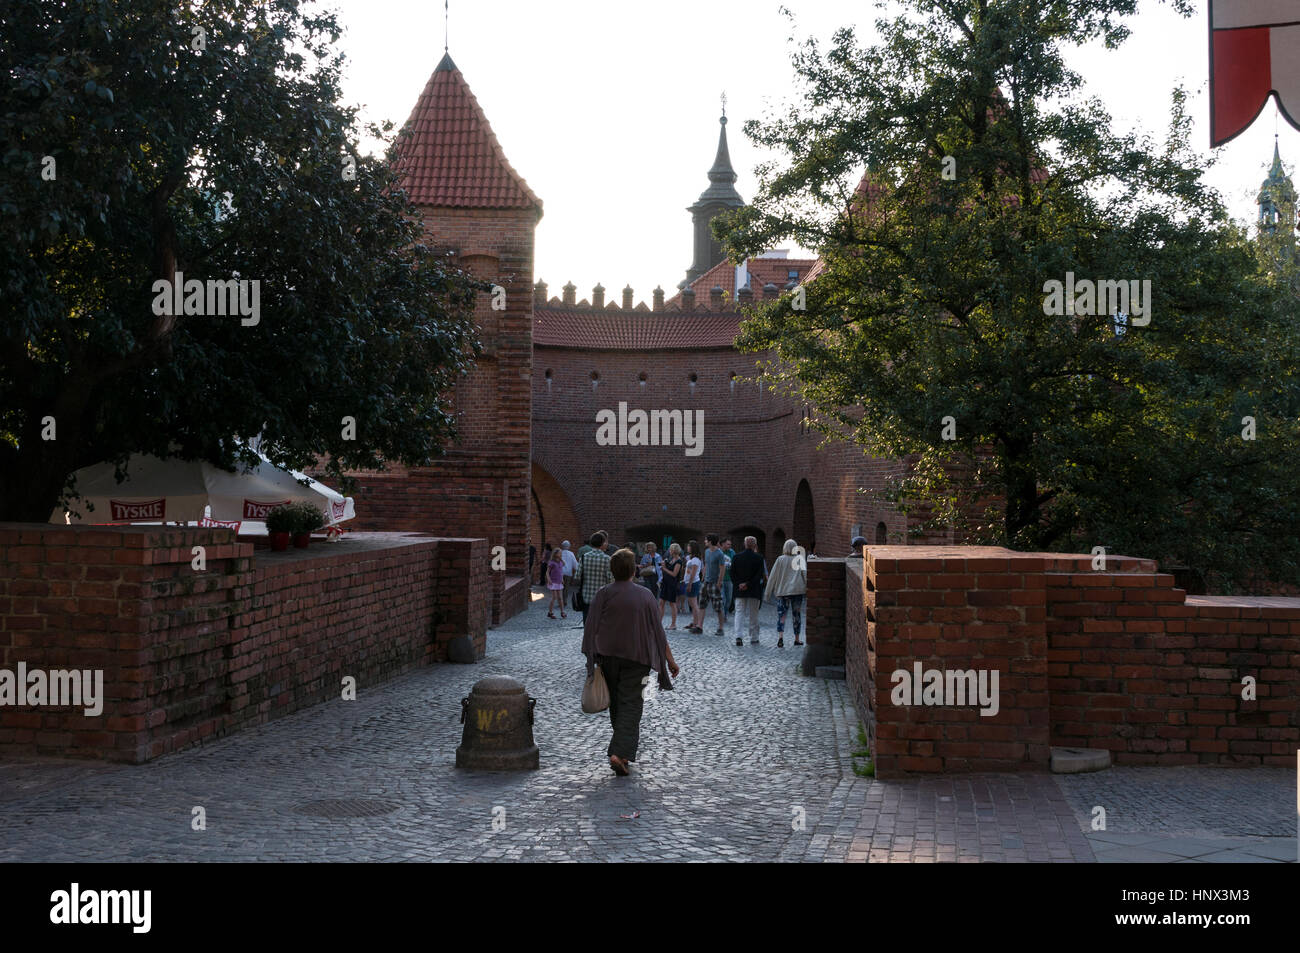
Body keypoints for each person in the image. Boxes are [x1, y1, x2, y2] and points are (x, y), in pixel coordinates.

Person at [582, 548, 680, 777]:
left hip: (608, 657)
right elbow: (658, 632)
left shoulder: (603, 593)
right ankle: (618, 752)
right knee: (632, 704)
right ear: (633, 569)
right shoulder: (645, 595)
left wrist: (592, 657)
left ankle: (622, 753)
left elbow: (591, 626)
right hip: (638, 658)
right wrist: (670, 661)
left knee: (617, 703)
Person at [764, 538, 808, 648]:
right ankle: (797, 639)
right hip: (797, 591)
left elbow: (772, 577)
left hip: (783, 592)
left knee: (782, 615)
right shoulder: (799, 559)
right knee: (796, 615)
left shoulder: (780, 559)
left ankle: (780, 637)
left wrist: (767, 593)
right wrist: (808, 588)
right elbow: (805, 575)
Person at [730, 535, 766, 645]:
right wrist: (748, 584)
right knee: (753, 614)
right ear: (754, 545)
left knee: (739, 613)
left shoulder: (736, 557)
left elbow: (732, 573)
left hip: (740, 590)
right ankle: (754, 637)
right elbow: (759, 575)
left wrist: (739, 584)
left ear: (745, 544)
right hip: (754, 590)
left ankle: (738, 636)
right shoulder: (759, 558)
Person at [576, 531, 613, 627]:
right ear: (602, 543)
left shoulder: (584, 557)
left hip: (586, 596)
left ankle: (588, 641)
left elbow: (577, 576)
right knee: (601, 625)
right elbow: (610, 579)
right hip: (602, 597)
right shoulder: (607, 559)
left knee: (587, 624)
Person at [702, 534, 727, 636]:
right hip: (706, 582)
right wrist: (703, 576)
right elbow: (706, 564)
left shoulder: (719, 554)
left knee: (718, 606)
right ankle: (699, 626)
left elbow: (722, 569)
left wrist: (719, 582)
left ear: (710, 541)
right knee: (701, 604)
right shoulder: (707, 551)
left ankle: (721, 628)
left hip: (714, 582)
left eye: (706, 540)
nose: (704, 541)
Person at [659, 543, 684, 629]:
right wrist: (665, 565)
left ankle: (673, 624)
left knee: (672, 603)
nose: (669, 551)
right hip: (665, 583)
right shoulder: (671, 559)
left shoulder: (679, 561)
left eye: (670, 549)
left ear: (673, 550)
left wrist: (664, 568)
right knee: (661, 602)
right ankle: (659, 623)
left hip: (672, 584)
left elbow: (674, 574)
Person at [683, 540, 704, 633]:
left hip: (693, 583)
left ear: (693, 548)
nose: (687, 548)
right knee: (692, 604)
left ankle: (697, 623)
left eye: (689, 546)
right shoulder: (692, 558)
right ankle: (694, 622)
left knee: (694, 604)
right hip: (689, 582)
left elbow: (694, 573)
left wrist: (690, 584)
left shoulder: (695, 560)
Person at [545, 548, 566, 619]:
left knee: (560, 598)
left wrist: (562, 579)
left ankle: (562, 612)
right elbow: (547, 572)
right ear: (555, 554)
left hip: (559, 582)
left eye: (561, 553)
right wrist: (549, 579)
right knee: (554, 597)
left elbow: (561, 572)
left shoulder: (560, 562)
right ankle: (550, 612)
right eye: (560, 553)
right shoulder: (552, 563)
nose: (561, 554)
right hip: (553, 582)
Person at [559, 540, 579, 610]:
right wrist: (578, 570)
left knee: (560, 587)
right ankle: (564, 601)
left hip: (560, 573)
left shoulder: (559, 553)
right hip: (568, 573)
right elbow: (575, 565)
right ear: (569, 546)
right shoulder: (571, 554)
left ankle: (560, 601)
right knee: (566, 588)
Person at [721, 537, 736, 615]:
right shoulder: (719, 552)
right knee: (722, 598)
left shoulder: (732, 552)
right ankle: (722, 615)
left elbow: (735, 562)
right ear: (723, 544)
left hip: (729, 578)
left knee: (729, 599)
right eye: (728, 544)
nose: (730, 545)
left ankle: (725, 612)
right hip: (720, 578)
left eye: (730, 544)